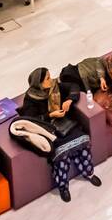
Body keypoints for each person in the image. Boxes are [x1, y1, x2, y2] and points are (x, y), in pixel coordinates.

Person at [15, 68, 100, 202]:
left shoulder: (55, 86)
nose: (51, 79)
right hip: (49, 130)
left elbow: (73, 86)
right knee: (61, 157)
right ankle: (63, 187)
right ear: (40, 84)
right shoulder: (31, 99)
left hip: (66, 124)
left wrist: (69, 100)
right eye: (47, 78)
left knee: (83, 145)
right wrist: (50, 115)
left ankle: (88, 172)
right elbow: (31, 120)